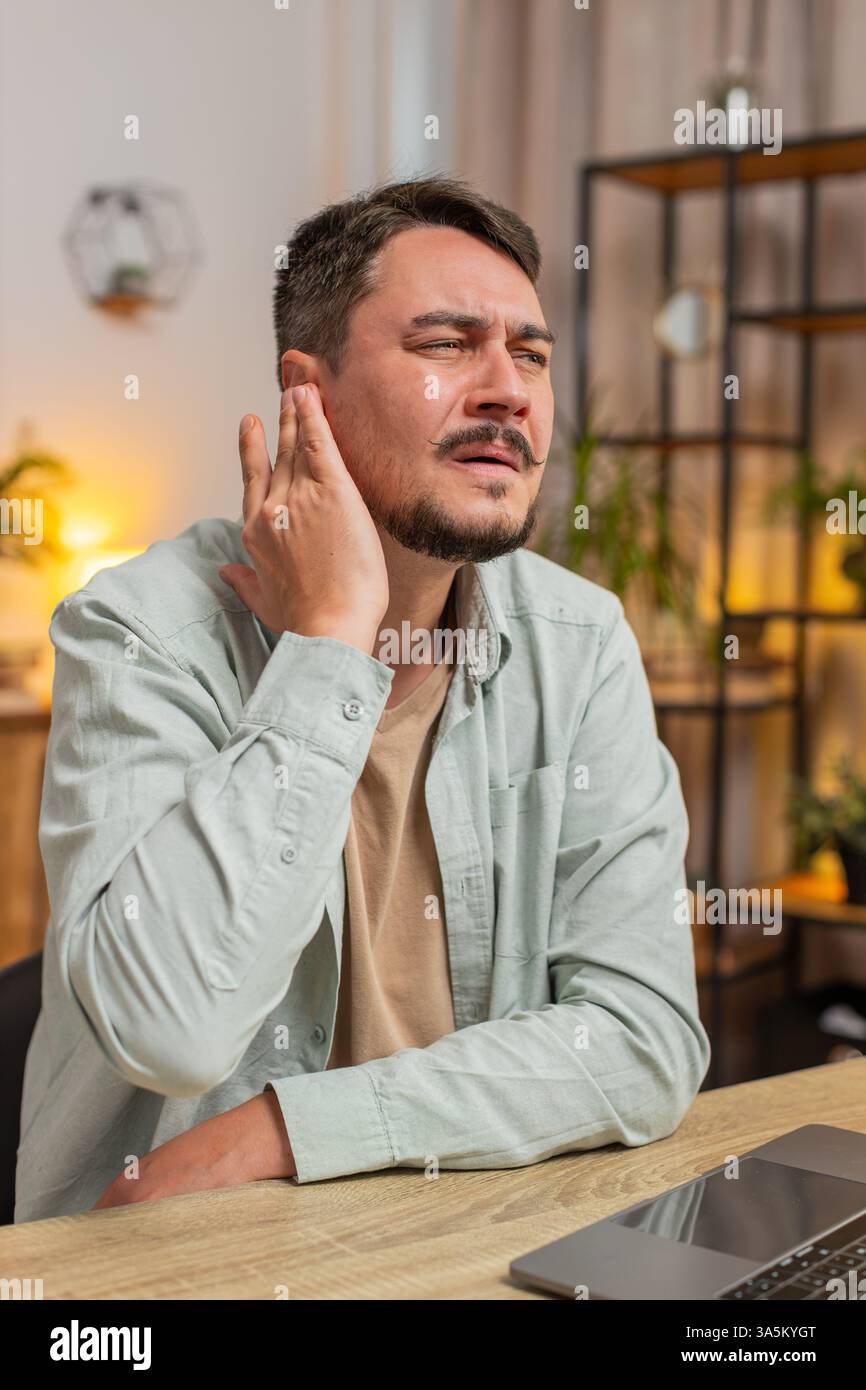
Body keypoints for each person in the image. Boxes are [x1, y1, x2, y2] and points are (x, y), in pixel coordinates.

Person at [15, 175, 710, 1222]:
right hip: (167, 1269)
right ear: (310, 394)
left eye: (529, 355)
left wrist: (287, 1130)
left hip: (449, 1245)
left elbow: (643, 1037)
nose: (509, 391)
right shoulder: (140, 631)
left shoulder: (579, 644)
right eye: (445, 344)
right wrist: (331, 639)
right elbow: (171, 1029)